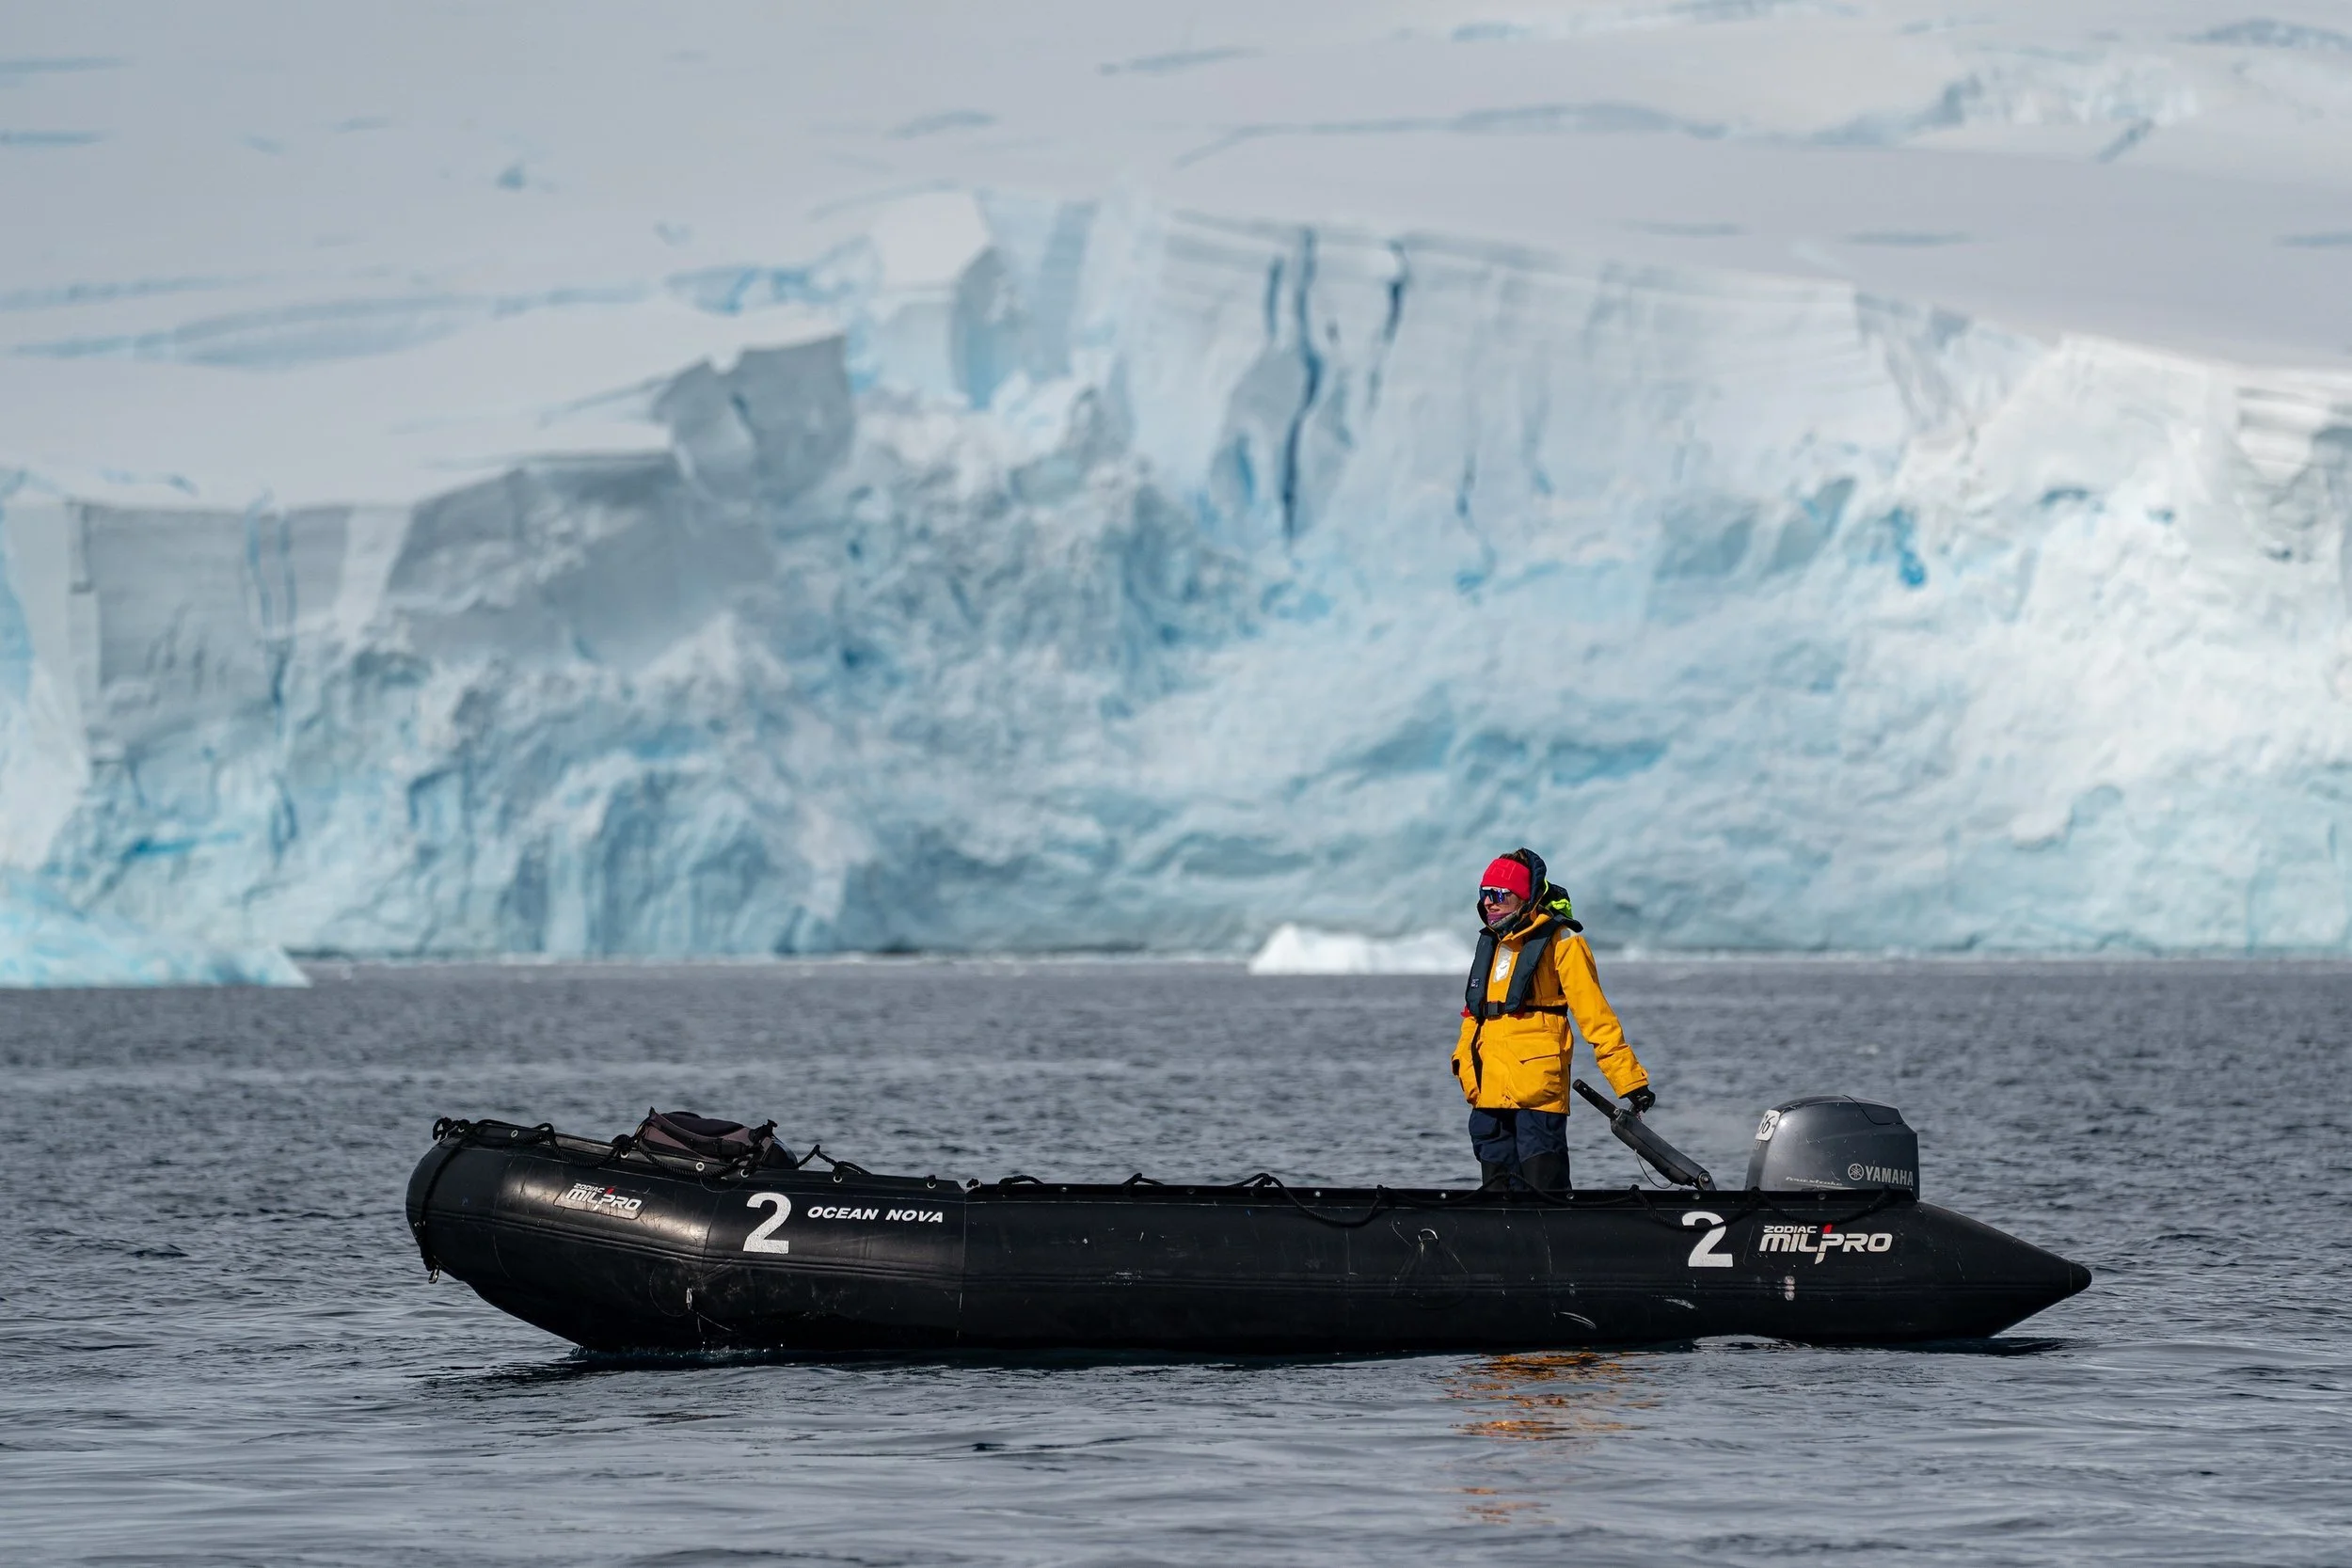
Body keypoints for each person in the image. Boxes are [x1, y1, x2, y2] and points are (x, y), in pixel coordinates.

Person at [1450, 847, 1653, 1195]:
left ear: (1525, 898)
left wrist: (1629, 1082)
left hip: (1536, 1092)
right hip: (1487, 1093)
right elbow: (1475, 1016)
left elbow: (1597, 1018)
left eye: (1499, 895)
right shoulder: (1491, 945)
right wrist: (1464, 1066)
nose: (1489, 903)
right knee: (1495, 1195)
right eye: (1484, 895)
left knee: (1546, 1189)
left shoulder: (1563, 943)